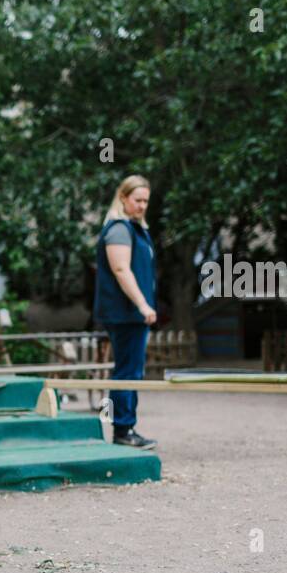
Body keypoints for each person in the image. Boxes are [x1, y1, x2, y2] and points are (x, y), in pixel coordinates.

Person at [94, 174, 158, 449]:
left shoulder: (135, 228)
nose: (142, 205)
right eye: (137, 200)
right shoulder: (119, 229)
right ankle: (122, 428)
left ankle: (126, 426)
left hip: (130, 313)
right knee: (127, 370)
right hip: (125, 312)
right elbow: (121, 269)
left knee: (131, 369)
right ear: (123, 198)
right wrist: (143, 305)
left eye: (146, 201)